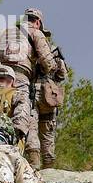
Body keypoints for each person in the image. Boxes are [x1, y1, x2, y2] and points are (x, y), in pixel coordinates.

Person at [0, 7, 62, 167]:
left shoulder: (4, 32)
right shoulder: (36, 33)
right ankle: (29, 158)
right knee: (24, 113)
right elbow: (48, 62)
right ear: (37, 22)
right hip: (20, 75)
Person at [33, 28, 69, 169]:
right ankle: (48, 167)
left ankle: (34, 165)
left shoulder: (30, 50)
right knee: (47, 132)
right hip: (50, 95)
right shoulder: (53, 52)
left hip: (34, 93)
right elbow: (62, 76)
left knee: (32, 130)